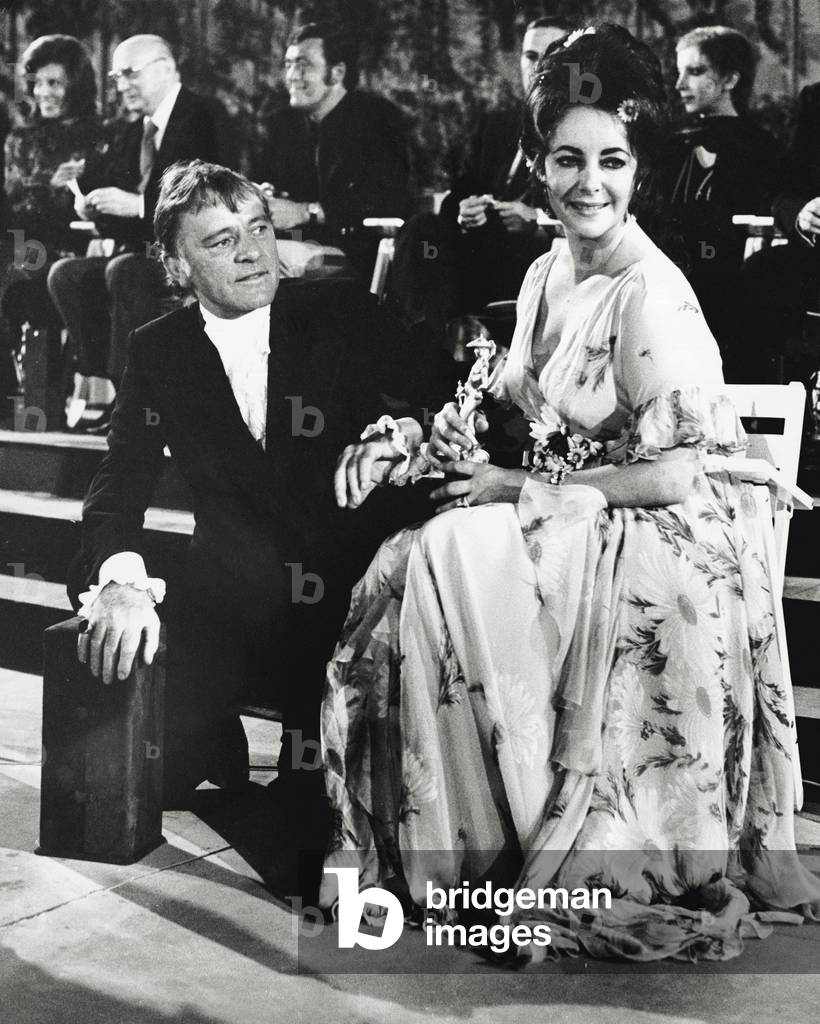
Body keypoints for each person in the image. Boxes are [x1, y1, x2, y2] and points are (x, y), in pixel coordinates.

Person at [319, 24, 820, 961]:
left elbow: (673, 473)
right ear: (540, 169)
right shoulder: (546, 271)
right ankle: (461, 845)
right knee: (410, 556)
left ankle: (503, 838)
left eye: (613, 161)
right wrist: (429, 439)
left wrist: (512, 482)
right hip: (575, 507)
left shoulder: (651, 293)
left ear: (637, 170)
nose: (592, 182)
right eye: (568, 160)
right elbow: (506, 405)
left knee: (447, 549)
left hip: (660, 536)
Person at [70, 160, 447, 841]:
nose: (251, 252)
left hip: (348, 592)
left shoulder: (340, 311)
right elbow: (118, 480)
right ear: (176, 265)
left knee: (318, 820)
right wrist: (121, 581)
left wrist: (401, 435)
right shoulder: (158, 350)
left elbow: (448, 385)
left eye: (259, 228)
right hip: (234, 590)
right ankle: (213, 733)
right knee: (147, 775)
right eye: (219, 241)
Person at [46, 34, 237, 427]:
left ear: (166, 68)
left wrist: (137, 205)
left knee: (125, 270)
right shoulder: (136, 131)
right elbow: (124, 209)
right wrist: (94, 207)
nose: (121, 85)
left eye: (131, 73)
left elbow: (216, 195)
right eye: (116, 76)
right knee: (66, 275)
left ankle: (137, 406)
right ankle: (120, 389)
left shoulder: (204, 115)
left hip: (198, 253)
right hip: (147, 253)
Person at [391, 16, 569, 338]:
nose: (538, 66)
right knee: (422, 230)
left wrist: (536, 219)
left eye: (551, 57)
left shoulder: (581, 132)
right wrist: (463, 212)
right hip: (479, 259)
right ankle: (420, 349)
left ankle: (423, 357)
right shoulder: (498, 126)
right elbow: (460, 191)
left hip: (536, 263)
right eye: (530, 56)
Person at [662, 26, 779, 377]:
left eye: (695, 72)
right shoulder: (672, 143)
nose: (680, 84)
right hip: (670, 284)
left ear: (730, 79)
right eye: (679, 71)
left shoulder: (760, 148)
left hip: (730, 292)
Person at [256, 21, 413, 276]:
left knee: (258, 259)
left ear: (337, 73)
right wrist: (265, 194)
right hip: (299, 245)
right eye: (288, 65)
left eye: (303, 65)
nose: (292, 76)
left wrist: (305, 212)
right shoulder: (284, 124)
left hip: (359, 255)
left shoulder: (377, 119)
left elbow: (388, 201)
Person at [1, 35, 103, 401]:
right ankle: (15, 393)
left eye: (54, 83)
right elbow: (14, 200)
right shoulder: (20, 139)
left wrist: (80, 181)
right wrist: (48, 184)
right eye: (37, 83)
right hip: (21, 240)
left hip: (71, 245)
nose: (43, 92)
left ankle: (35, 397)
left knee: (13, 273)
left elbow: (96, 206)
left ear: (75, 86)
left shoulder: (99, 135)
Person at [735, 75, 820, 384]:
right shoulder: (816, 99)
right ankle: (762, 420)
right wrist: (802, 213)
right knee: (761, 272)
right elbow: (783, 192)